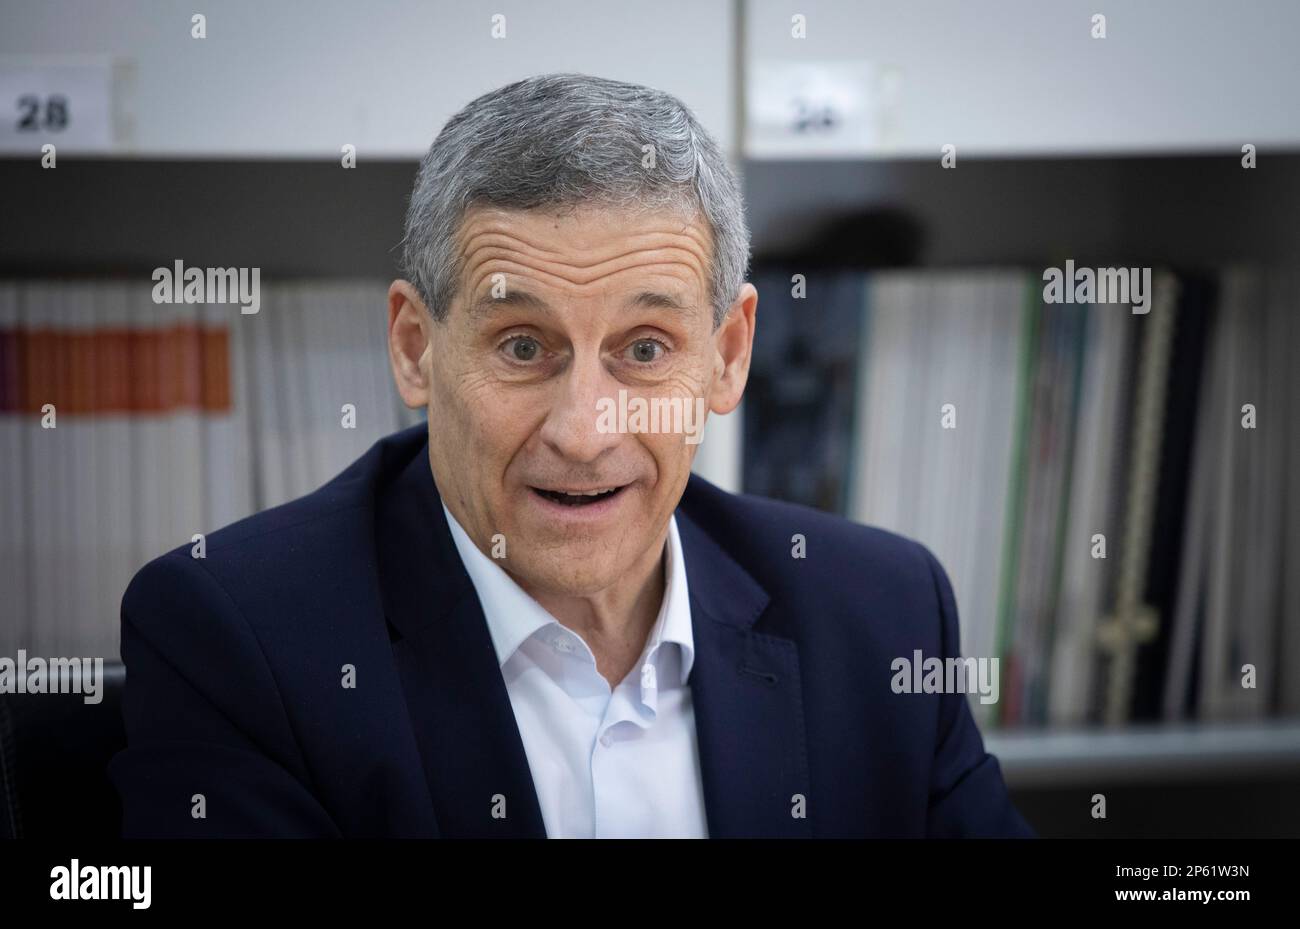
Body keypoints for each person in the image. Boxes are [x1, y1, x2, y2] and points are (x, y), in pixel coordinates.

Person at [108, 73, 1032, 838]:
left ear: (729, 354)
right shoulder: (232, 638)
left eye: (643, 349)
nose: (584, 431)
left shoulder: (883, 615)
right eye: (521, 346)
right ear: (415, 347)